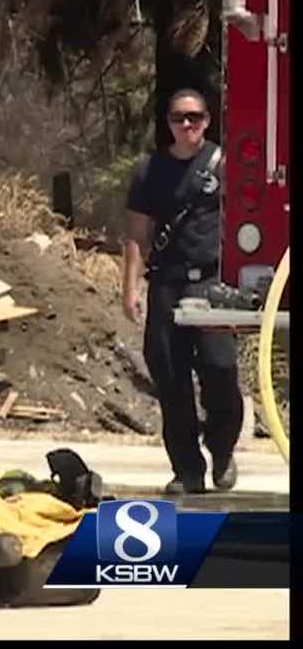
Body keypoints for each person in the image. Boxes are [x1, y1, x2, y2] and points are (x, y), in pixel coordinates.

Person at [122, 88, 242, 495]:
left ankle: (222, 449)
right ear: (168, 123)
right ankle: (187, 469)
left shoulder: (225, 165)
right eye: (178, 118)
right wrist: (130, 287)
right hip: (167, 284)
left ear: (208, 121)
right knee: (170, 378)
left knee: (220, 370)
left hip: (212, 283)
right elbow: (138, 233)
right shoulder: (149, 171)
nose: (186, 125)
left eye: (194, 117)